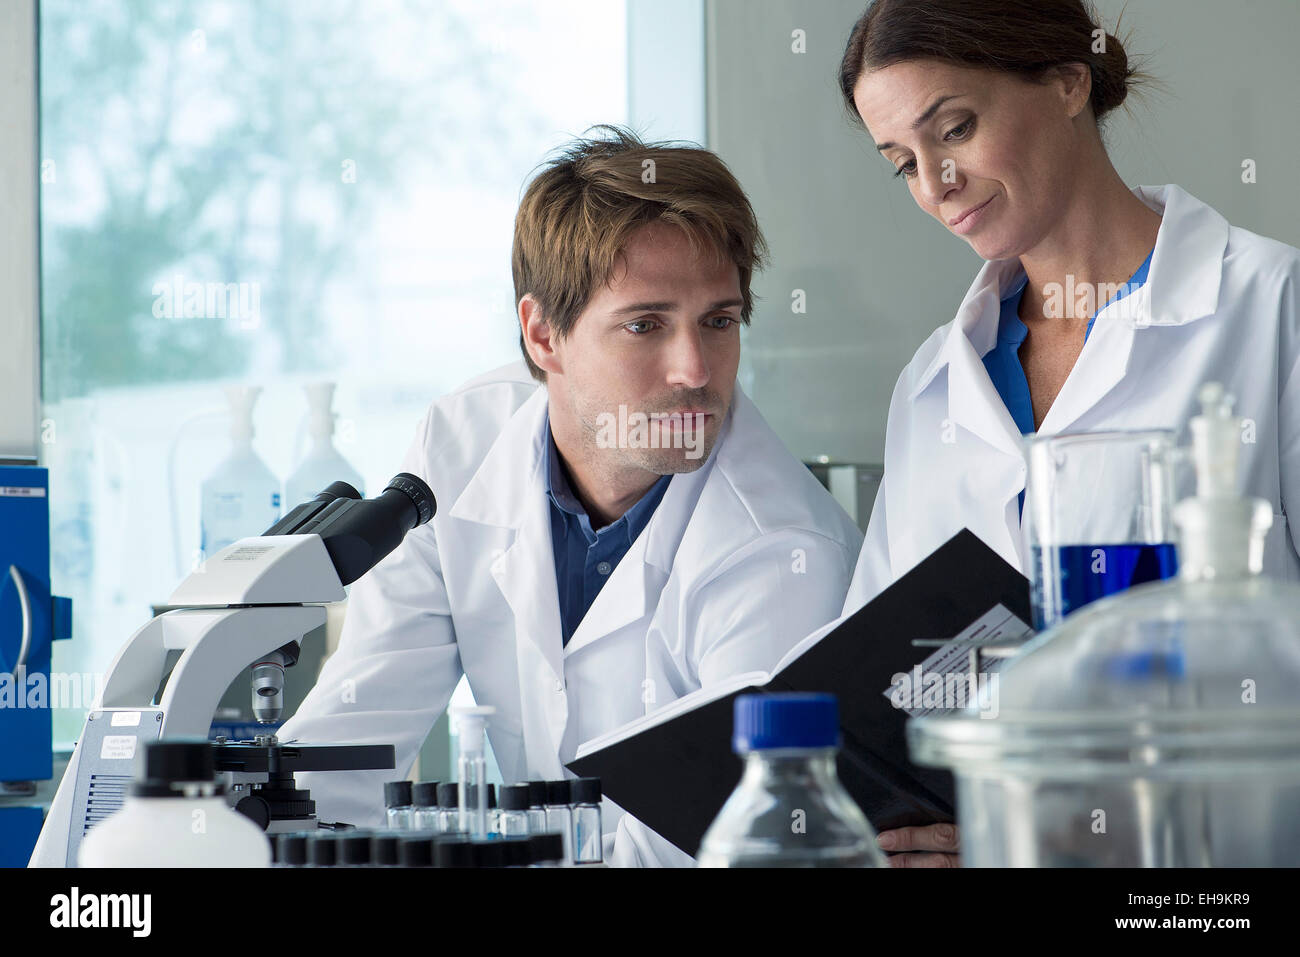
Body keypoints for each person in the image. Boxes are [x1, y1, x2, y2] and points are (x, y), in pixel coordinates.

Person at [276, 127, 864, 866]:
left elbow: (704, 848)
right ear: (543, 335)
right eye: (645, 324)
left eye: (719, 320)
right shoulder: (458, 446)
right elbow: (353, 737)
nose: (694, 368)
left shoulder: (784, 551)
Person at [836, 0, 1300, 865]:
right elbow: (881, 690)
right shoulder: (935, 386)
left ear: (1065, 81)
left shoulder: (1271, 309)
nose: (935, 183)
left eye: (956, 128)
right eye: (902, 162)